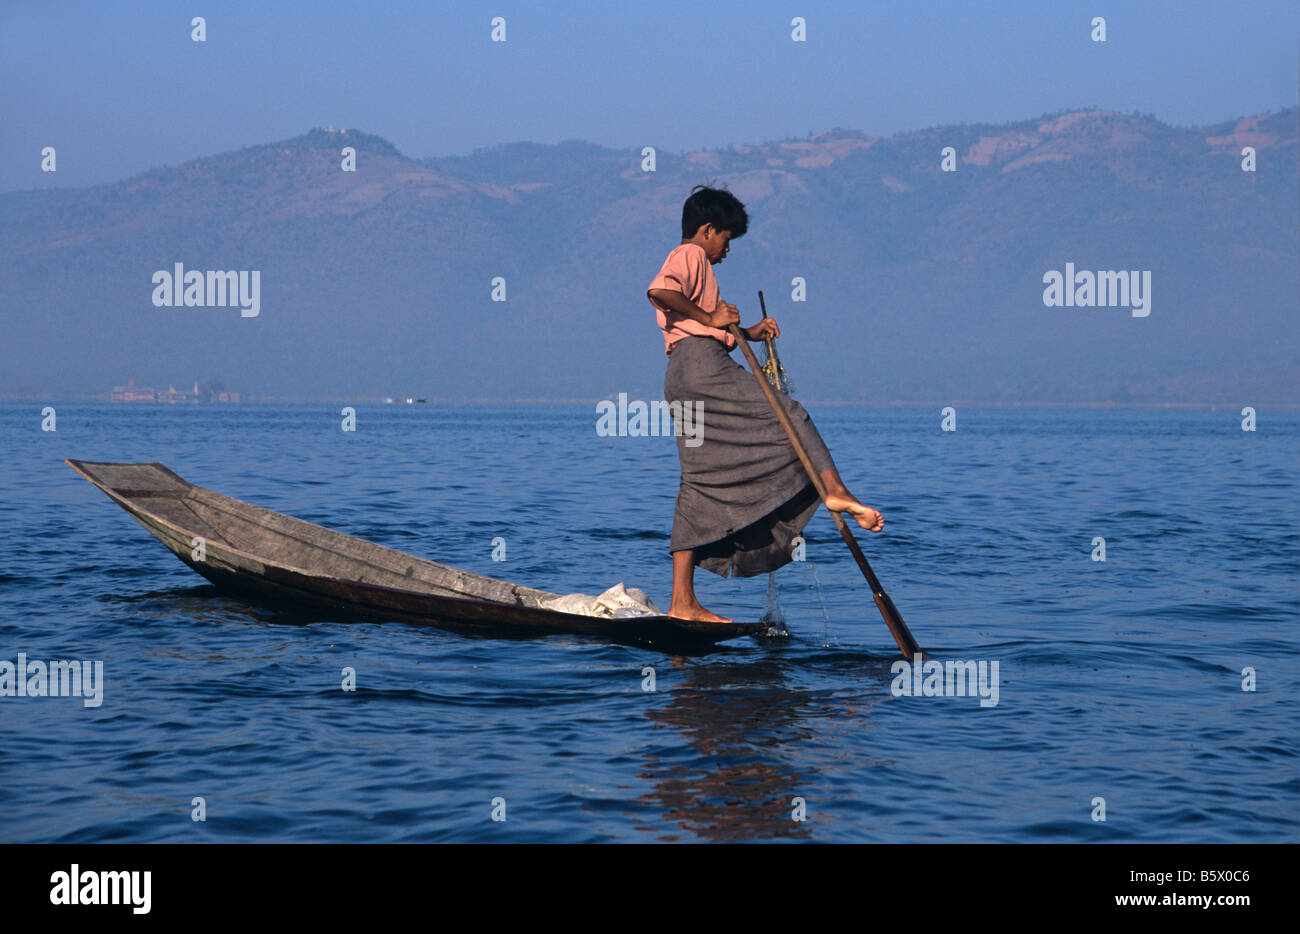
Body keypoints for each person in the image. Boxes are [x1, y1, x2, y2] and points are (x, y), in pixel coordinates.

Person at [646, 184, 885, 622]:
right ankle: (835, 491)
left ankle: (682, 602)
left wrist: (749, 333)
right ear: (707, 230)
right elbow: (660, 292)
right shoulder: (690, 255)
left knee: (698, 477)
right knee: (791, 416)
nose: (727, 249)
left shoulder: (696, 264)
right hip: (704, 371)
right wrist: (710, 316)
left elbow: (701, 327)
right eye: (726, 238)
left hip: (684, 374)